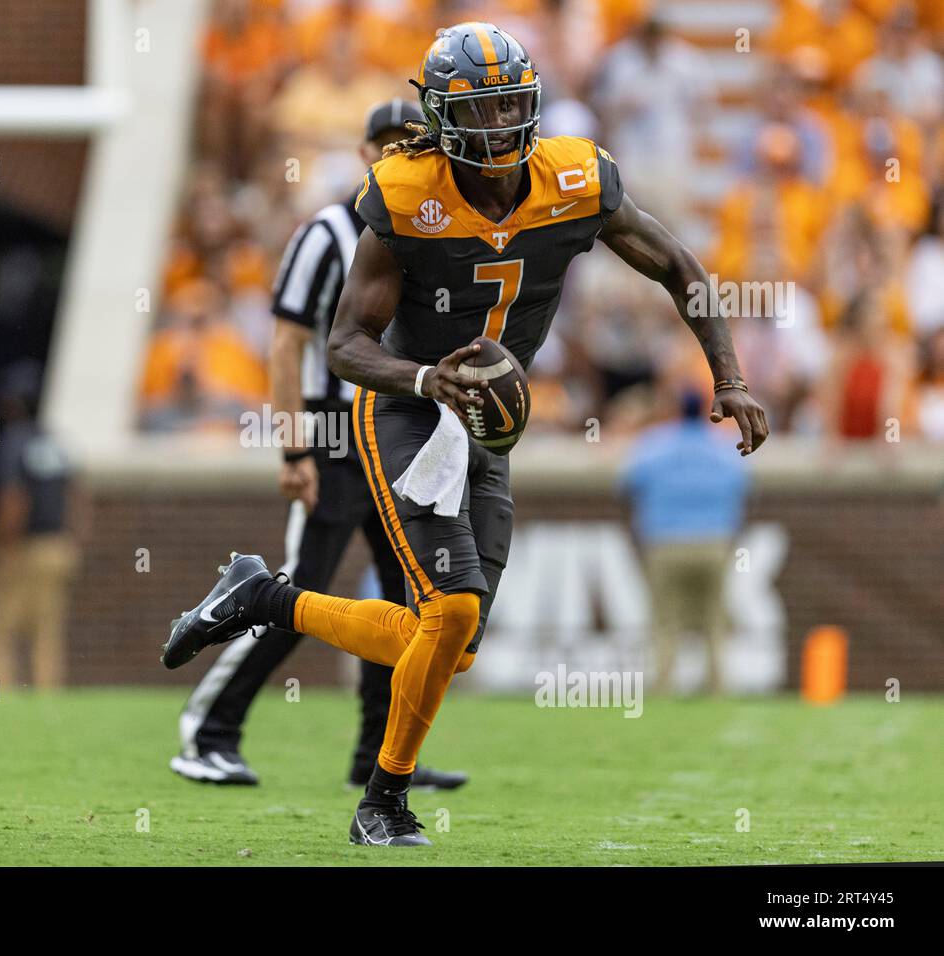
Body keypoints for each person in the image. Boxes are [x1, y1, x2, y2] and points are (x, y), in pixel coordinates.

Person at [161, 22, 768, 847]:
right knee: (445, 612)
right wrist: (422, 379)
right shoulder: (408, 191)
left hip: (487, 422)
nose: (498, 127)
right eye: (479, 111)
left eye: (511, 104)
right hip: (409, 404)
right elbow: (342, 344)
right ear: (441, 119)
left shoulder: (577, 176)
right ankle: (383, 799)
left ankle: (262, 596)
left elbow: (681, 268)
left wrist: (728, 376)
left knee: (455, 640)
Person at [171, 100, 467, 792]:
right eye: (388, 146)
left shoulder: (432, 227)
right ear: (364, 154)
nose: (400, 157)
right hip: (336, 436)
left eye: (412, 146)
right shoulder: (328, 231)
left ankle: (383, 755)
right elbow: (286, 342)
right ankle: (207, 734)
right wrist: (294, 448)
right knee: (297, 591)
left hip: (399, 434)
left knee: (408, 604)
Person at [620, 392, 750, 694]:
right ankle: (716, 684)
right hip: (714, 541)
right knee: (714, 617)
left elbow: (627, 484)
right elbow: (743, 486)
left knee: (665, 619)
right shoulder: (722, 446)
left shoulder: (654, 444)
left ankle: (664, 683)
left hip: (665, 542)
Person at [0, 360, 83, 689]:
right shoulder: (57, 442)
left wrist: (0, 547)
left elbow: (13, 501)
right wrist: (74, 540)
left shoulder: (14, 443)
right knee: (46, 632)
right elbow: (78, 494)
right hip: (59, 547)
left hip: (23, 547)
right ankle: (46, 700)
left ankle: (2, 698)